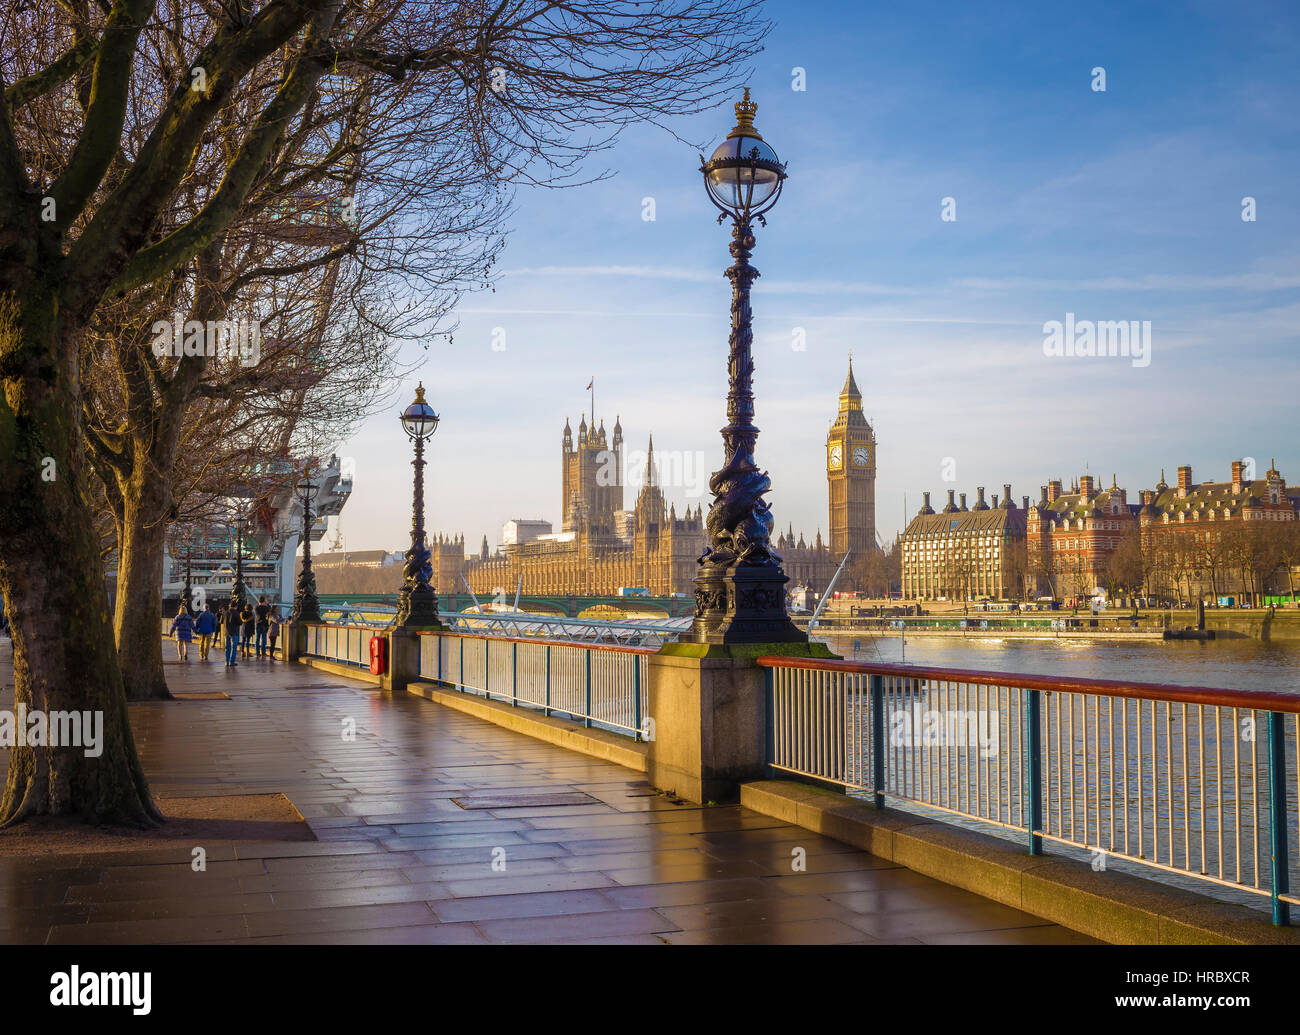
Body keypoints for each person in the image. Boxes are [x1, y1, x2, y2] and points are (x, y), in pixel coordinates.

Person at [223, 602, 242, 666]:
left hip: (226, 632)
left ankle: (226, 662)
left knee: (227, 648)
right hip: (234, 632)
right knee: (233, 648)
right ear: (235, 606)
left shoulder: (225, 612)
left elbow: (221, 621)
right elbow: (240, 622)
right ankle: (232, 662)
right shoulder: (236, 613)